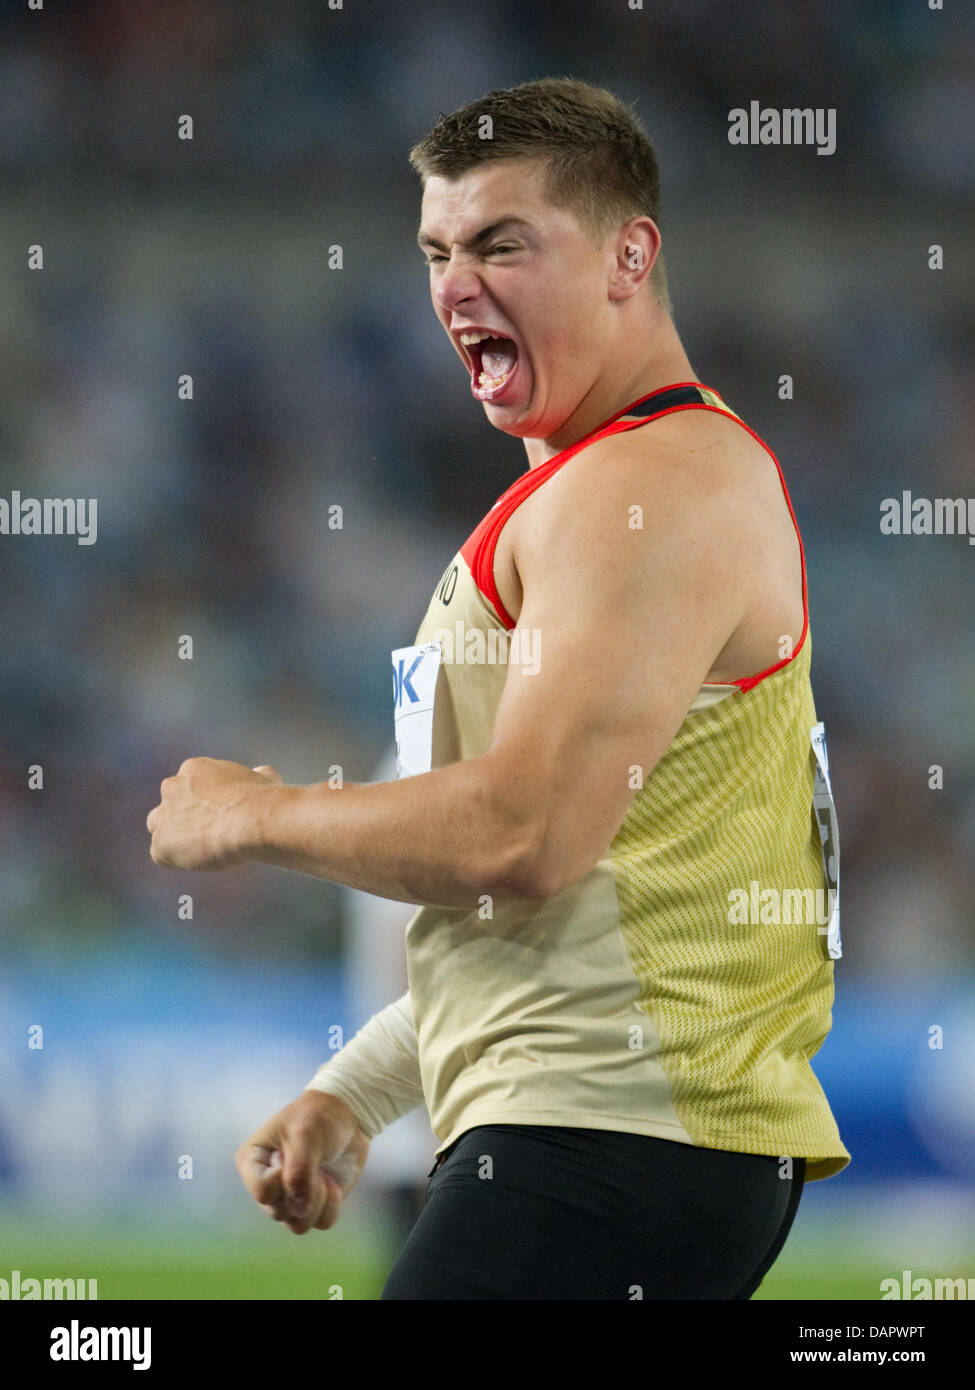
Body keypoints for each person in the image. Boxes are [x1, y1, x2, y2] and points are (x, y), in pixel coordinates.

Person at [146, 77, 849, 1300]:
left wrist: (247, 815)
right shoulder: (613, 486)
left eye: (502, 244)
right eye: (437, 250)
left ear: (632, 255)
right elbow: (584, 903)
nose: (453, 287)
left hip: (608, 1144)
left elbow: (522, 833)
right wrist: (361, 1087)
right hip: (612, 1139)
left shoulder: (653, 491)